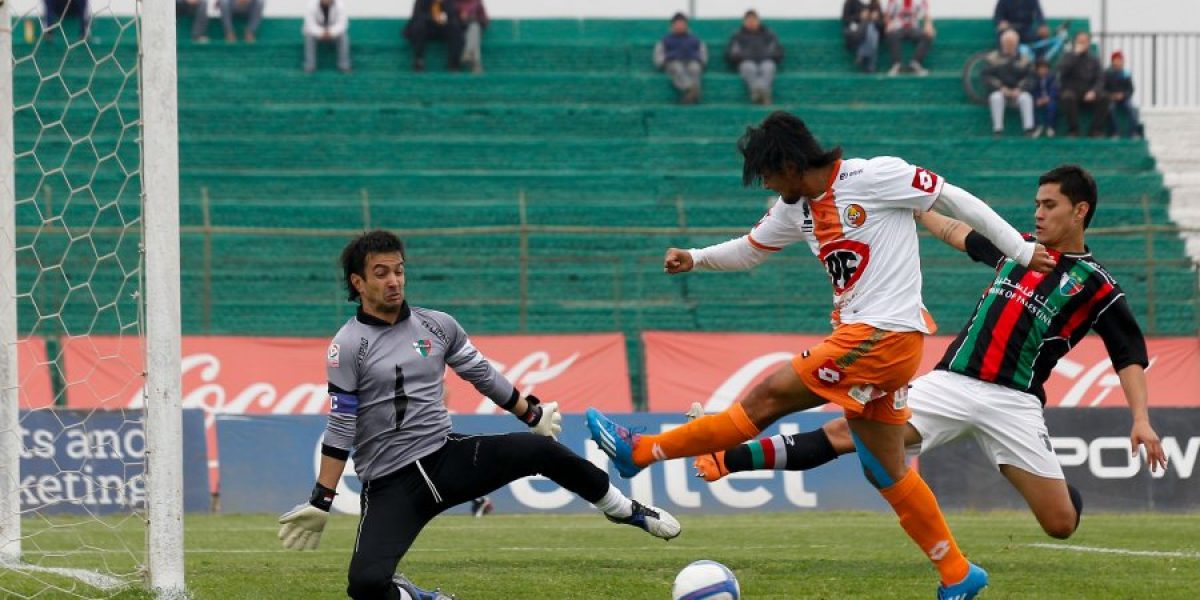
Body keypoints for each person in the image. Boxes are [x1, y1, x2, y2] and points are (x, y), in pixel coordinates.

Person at [586, 111, 1056, 600]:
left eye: (767, 173)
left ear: (789, 164)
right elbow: (751, 249)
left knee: (768, 396)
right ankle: (958, 574)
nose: (765, 183)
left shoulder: (874, 176)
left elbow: (956, 198)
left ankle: (639, 452)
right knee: (884, 469)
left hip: (883, 335)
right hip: (874, 343)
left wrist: (1020, 252)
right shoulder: (795, 207)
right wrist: (697, 257)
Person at [695, 165, 1170, 542]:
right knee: (845, 433)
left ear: (1080, 211)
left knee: (1060, 524)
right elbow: (957, 232)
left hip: (1014, 402)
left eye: (1050, 205)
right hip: (952, 383)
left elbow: (1127, 352)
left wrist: (1141, 419)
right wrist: (917, 207)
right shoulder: (1018, 248)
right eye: (1036, 204)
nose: (1038, 213)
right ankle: (724, 458)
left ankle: (1055, 489)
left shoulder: (1098, 284)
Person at [277, 231, 680, 600]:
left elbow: (480, 373)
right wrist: (322, 500)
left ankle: (624, 509)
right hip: (390, 484)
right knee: (365, 585)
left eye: (399, 271)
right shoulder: (347, 346)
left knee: (543, 450)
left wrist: (529, 412)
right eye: (380, 273)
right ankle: (418, 597)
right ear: (358, 283)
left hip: (445, 458)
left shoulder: (436, 325)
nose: (393, 281)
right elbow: (342, 423)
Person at [1057, 31, 1110, 137]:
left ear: (1089, 43)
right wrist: (1075, 55)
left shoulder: (1094, 60)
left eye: (1084, 41)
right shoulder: (1067, 56)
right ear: (1075, 42)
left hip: (1089, 93)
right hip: (1072, 91)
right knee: (1067, 97)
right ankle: (1074, 130)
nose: (1082, 44)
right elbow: (1062, 71)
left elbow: (1100, 78)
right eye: (1079, 41)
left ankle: (1095, 130)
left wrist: (1094, 91)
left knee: (1104, 97)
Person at [725, 10, 784, 105]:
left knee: (769, 66)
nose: (751, 22)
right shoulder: (737, 36)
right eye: (749, 20)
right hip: (746, 62)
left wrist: (766, 56)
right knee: (748, 67)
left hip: (766, 61)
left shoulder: (769, 35)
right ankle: (763, 93)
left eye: (754, 20)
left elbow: (778, 52)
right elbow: (731, 54)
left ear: (758, 20)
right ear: (744, 22)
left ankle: (758, 94)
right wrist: (744, 57)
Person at [983, 29, 1035, 136]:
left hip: (1018, 91)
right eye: (1007, 43)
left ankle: (1029, 129)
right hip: (1000, 91)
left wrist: (1020, 89)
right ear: (1002, 43)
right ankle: (998, 130)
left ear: (1016, 43)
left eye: (1012, 43)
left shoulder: (1025, 59)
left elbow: (1031, 78)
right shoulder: (992, 58)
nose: (1009, 46)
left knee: (1026, 98)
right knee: (996, 97)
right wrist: (1000, 88)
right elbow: (986, 76)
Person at [654, 12, 708, 104]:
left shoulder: (695, 39)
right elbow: (658, 54)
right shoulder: (665, 40)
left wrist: (701, 61)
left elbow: (703, 53)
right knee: (677, 68)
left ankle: (691, 95)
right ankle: (691, 89)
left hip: (691, 61)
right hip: (673, 62)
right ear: (672, 26)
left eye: (682, 24)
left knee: (695, 68)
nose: (679, 26)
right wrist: (662, 62)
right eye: (677, 24)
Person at [404, 0, 465, 72]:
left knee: (455, 29)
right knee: (419, 26)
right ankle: (419, 60)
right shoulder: (421, 1)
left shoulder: (449, 2)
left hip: (443, 29)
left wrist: (443, 8)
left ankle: (454, 64)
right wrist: (433, 18)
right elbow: (417, 15)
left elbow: (453, 16)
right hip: (427, 28)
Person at [884, 0, 934, 76]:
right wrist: (889, 24)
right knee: (891, 34)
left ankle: (915, 63)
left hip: (913, 28)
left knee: (927, 36)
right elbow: (887, 14)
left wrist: (928, 25)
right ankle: (896, 65)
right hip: (898, 27)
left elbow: (926, 15)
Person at [303, 0, 351, 74]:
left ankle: (344, 66)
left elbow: (342, 24)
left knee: (343, 37)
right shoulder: (311, 4)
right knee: (309, 36)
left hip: (333, 33)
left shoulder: (340, 5)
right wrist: (321, 33)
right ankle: (309, 66)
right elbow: (310, 24)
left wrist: (331, 32)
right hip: (316, 32)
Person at [1104, 51, 1144, 138]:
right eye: (1116, 60)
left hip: (1124, 99)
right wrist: (1112, 95)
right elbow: (1104, 89)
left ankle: (1132, 133)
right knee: (1110, 109)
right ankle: (1115, 132)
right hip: (1112, 99)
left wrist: (1123, 95)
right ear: (1112, 61)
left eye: (1120, 60)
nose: (1118, 62)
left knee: (1132, 109)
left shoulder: (1126, 74)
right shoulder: (1107, 74)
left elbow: (1131, 89)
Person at [842, 0, 884, 73]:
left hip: (872, 30)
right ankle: (871, 65)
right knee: (869, 29)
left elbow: (881, 24)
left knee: (871, 29)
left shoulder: (875, 3)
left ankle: (861, 54)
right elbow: (846, 19)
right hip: (856, 29)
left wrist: (874, 18)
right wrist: (860, 16)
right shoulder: (850, 2)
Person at [457, 0, 489, 74]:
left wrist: (472, 18)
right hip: (458, 30)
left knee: (474, 28)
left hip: (472, 27)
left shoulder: (477, 2)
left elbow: (484, 19)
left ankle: (468, 53)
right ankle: (476, 65)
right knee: (474, 33)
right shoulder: (454, 2)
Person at [1031, 59, 1058, 137]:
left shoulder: (1052, 77)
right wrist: (1037, 99)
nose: (1043, 71)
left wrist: (1049, 98)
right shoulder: (1034, 78)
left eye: (1045, 68)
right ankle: (1037, 126)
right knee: (1032, 105)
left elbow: (1055, 89)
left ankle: (1050, 127)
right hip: (1038, 99)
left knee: (1052, 106)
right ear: (1037, 70)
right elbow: (1033, 90)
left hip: (1050, 98)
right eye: (1041, 69)